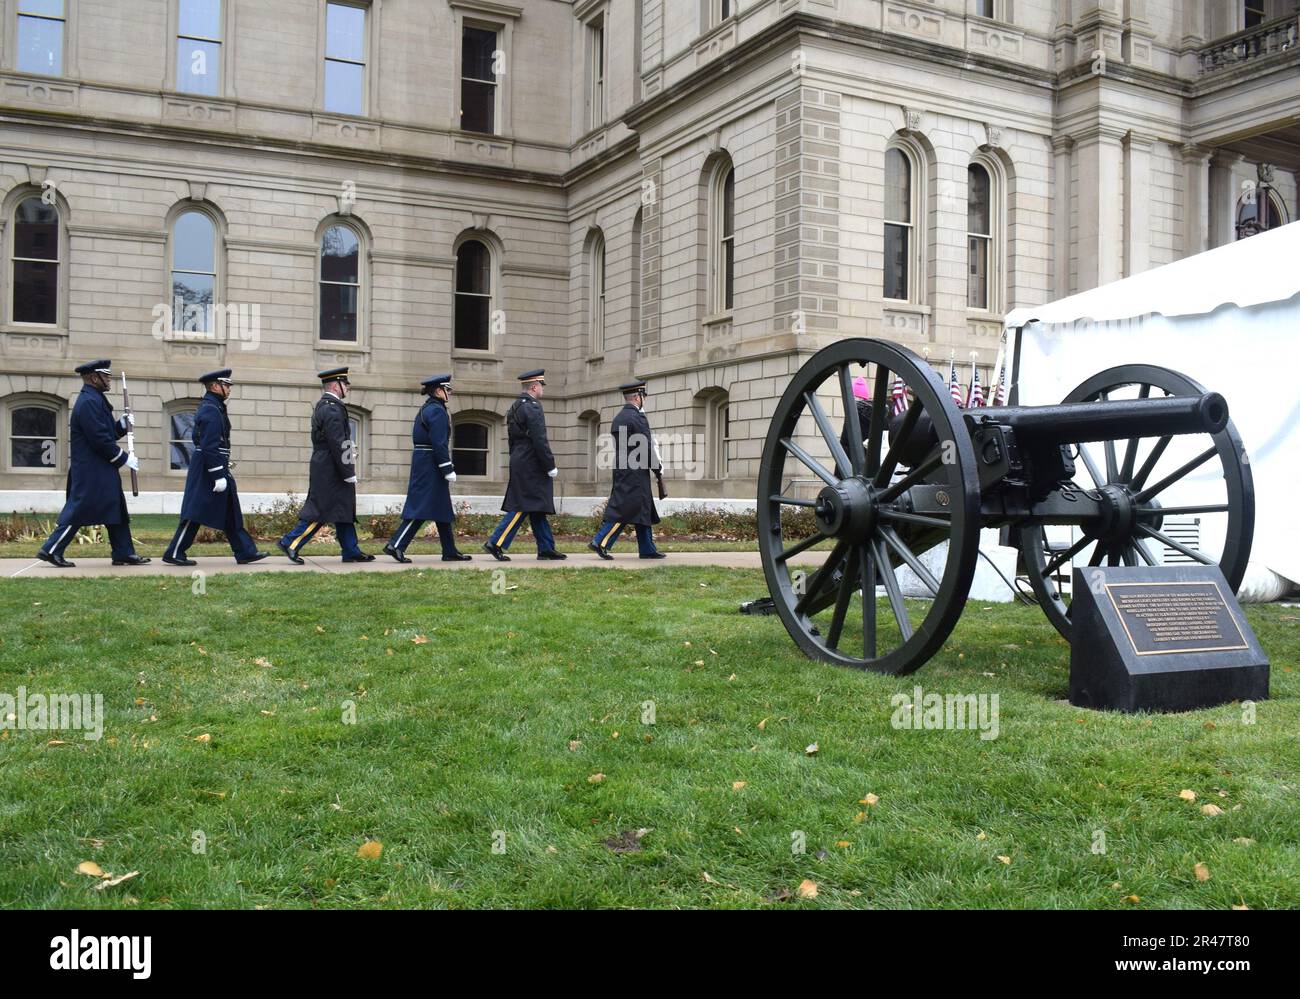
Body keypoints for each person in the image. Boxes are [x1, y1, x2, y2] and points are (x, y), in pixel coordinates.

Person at [37, 360, 149, 568]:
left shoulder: (95, 399)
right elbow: (99, 439)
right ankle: (51, 549)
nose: (109, 379)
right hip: (91, 470)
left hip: (101, 467)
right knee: (79, 511)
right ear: (93, 377)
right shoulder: (89, 402)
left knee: (116, 508)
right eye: (105, 376)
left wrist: (122, 425)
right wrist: (125, 458)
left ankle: (124, 552)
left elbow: (107, 433)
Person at [162, 369, 269, 566]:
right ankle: (175, 552)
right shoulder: (211, 409)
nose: (229, 388)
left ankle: (245, 552)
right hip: (207, 468)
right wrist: (217, 474)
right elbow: (208, 445)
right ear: (214, 386)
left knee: (231, 511)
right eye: (226, 385)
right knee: (194, 511)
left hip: (214, 464)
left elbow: (203, 441)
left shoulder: (215, 407)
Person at [277, 367, 374, 564]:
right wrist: (348, 470)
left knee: (343, 509)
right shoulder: (332, 408)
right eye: (345, 383)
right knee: (321, 510)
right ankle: (290, 542)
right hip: (331, 467)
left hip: (329, 464)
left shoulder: (329, 406)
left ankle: (351, 550)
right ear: (335, 385)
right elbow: (339, 442)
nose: (348, 386)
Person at [384, 374, 471, 563]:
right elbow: (439, 442)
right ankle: (396, 544)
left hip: (426, 460)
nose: (450, 393)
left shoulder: (431, 408)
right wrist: (447, 468)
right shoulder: (437, 411)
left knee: (441, 508)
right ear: (439, 391)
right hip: (430, 463)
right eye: (447, 390)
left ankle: (449, 550)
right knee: (421, 507)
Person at [483, 369, 566, 561]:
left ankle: (546, 547)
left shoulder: (515, 407)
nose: (542, 390)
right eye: (541, 386)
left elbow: (513, 439)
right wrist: (549, 464)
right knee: (523, 505)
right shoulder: (533, 407)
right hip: (532, 463)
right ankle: (496, 542)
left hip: (520, 459)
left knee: (537, 506)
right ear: (535, 387)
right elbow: (539, 439)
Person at [588, 378, 666, 560]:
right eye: (643, 395)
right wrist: (657, 468)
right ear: (638, 397)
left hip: (623, 468)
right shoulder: (637, 417)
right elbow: (645, 447)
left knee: (642, 508)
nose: (644, 399)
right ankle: (600, 541)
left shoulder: (619, 417)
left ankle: (647, 548)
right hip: (636, 471)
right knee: (625, 509)